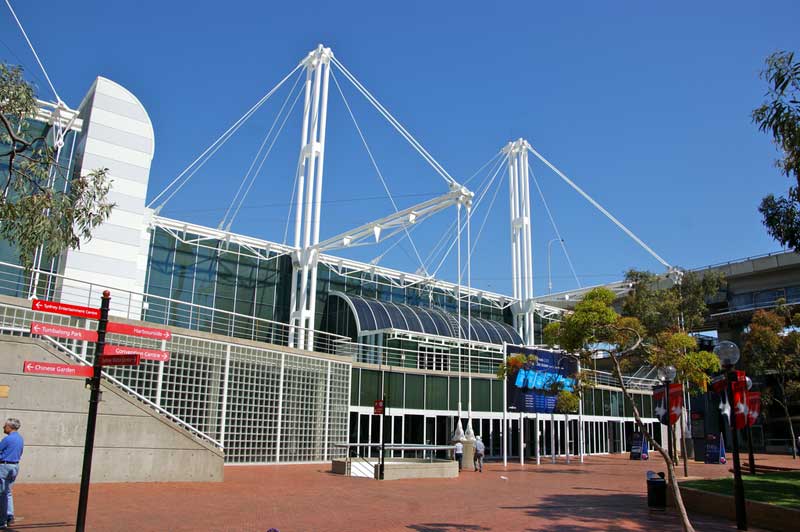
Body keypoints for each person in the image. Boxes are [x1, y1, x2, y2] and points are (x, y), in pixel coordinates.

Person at [0, 419, 23, 529]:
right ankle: (9, 515)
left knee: (2, 493)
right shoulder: (20, 438)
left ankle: (2, 520)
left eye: (5, 426)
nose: (3, 427)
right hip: (15, 466)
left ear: (10, 427)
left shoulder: (7, 439)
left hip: (4, 466)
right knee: (8, 492)